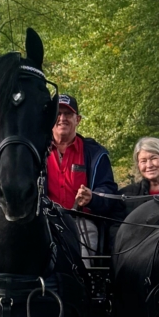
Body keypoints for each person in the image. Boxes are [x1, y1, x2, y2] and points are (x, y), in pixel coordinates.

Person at [46, 93, 122, 257]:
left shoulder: (95, 154)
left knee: (82, 264)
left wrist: (92, 198)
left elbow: (109, 191)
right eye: (57, 114)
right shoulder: (36, 151)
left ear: (77, 119)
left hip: (81, 222)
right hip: (44, 221)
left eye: (68, 114)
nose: (62, 118)